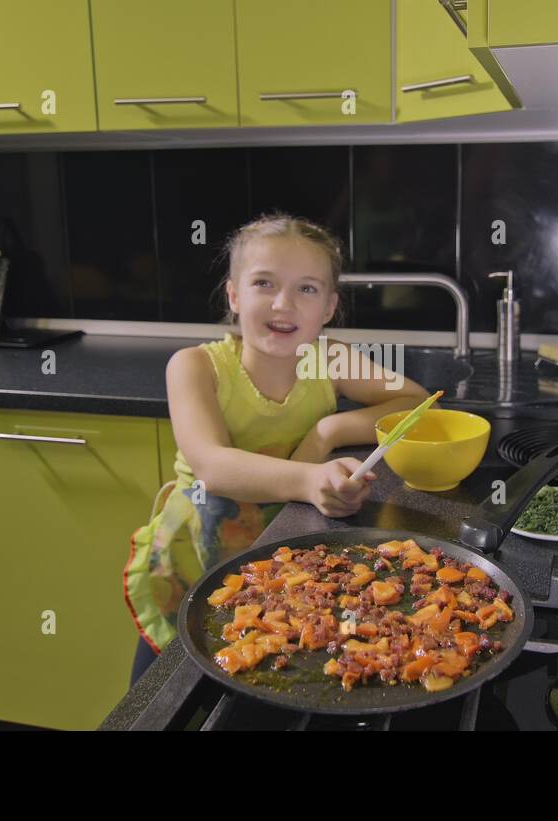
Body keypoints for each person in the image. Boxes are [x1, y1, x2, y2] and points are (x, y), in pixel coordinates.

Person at [124, 213, 428, 683]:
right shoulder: (194, 366)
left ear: (328, 307)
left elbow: (413, 403)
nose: (283, 304)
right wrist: (309, 478)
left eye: (306, 289)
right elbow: (211, 464)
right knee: (170, 680)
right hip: (200, 553)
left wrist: (328, 430)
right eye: (264, 283)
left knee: (270, 666)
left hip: (284, 546)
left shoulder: (328, 357)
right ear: (234, 294)